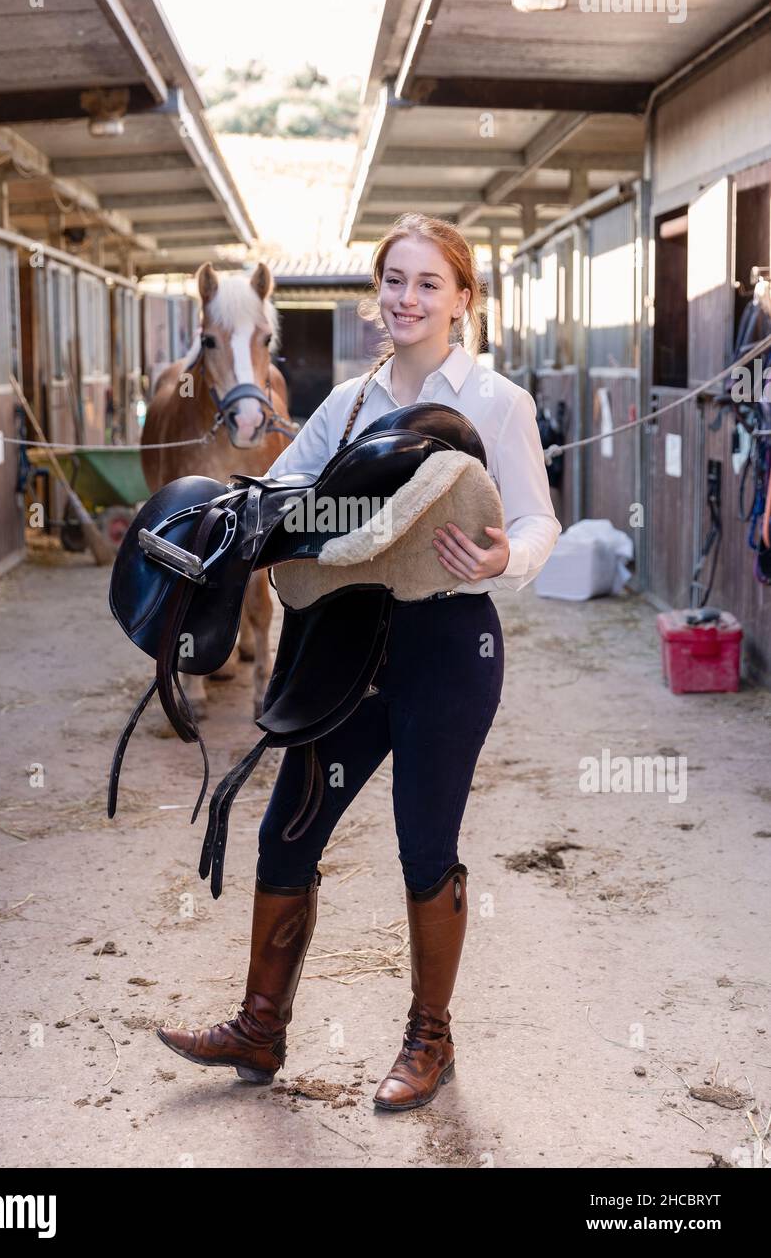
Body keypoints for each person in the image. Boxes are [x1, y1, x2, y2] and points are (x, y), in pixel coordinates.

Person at [157, 213, 562, 1110]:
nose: (406, 299)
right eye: (393, 282)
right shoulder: (345, 404)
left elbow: (538, 520)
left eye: (427, 283)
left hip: (449, 644)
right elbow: (275, 492)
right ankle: (260, 1030)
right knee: (287, 830)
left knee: (425, 845)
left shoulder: (499, 403)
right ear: (377, 296)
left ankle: (430, 1040)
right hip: (344, 642)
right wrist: (213, 532)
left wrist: (506, 559)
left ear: (463, 299)